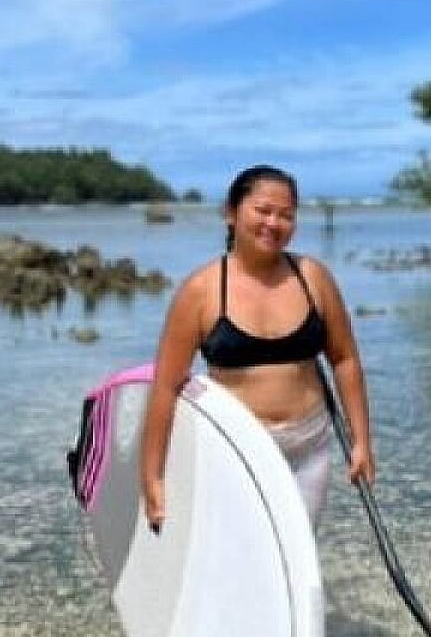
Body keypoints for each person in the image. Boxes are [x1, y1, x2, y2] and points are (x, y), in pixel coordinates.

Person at [139, 164, 375, 531]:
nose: (274, 223)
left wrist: (361, 441)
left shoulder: (313, 277)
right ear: (231, 213)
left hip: (308, 448)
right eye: (263, 211)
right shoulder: (200, 291)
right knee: (239, 560)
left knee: (297, 560)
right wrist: (152, 477)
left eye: (286, 215)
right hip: (235, 451)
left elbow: (344, 360)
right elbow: (166, 386)